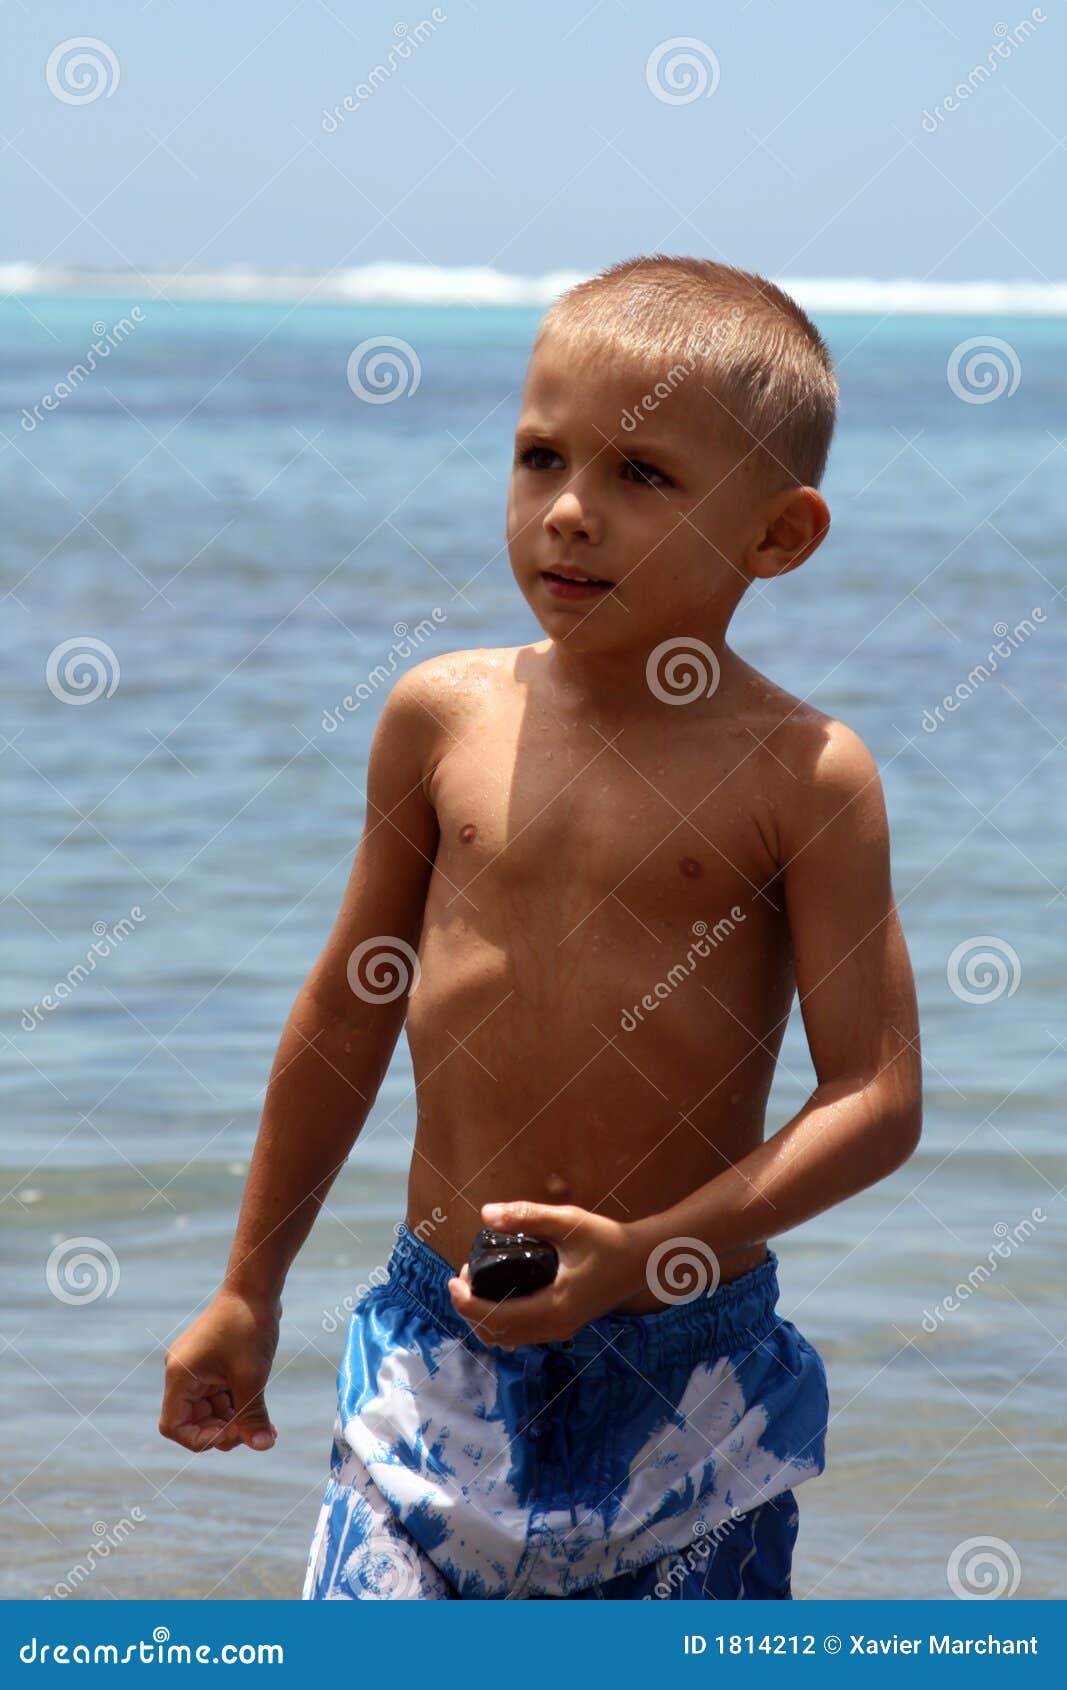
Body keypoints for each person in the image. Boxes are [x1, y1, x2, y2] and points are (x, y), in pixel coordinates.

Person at [159, 255, 922, 1600]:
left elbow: (876, 1094)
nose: (566, 513)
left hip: (693, 1375)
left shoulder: (805, 775)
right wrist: (246, 1287)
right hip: (430, 1350)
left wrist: (648, 1252)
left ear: (778, 535)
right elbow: (350, 1010)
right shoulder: (440, 718)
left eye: (640, 475)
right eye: (538, 457)